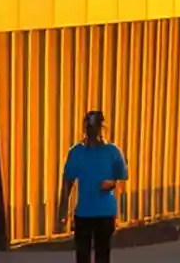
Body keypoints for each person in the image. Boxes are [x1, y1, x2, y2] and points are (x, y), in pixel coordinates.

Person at [55, 111, 128, 263]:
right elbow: (67, 182)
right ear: (85, 129)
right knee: (82, 256)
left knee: (102, 255)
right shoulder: (77, 153)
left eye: (95, 128)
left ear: (102, 128)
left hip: (105, 213)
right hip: (84, 213)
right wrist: (62, 209)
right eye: (89, 128)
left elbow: (122, 179)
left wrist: (112, 184)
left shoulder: (112, 152)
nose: (92, 132)